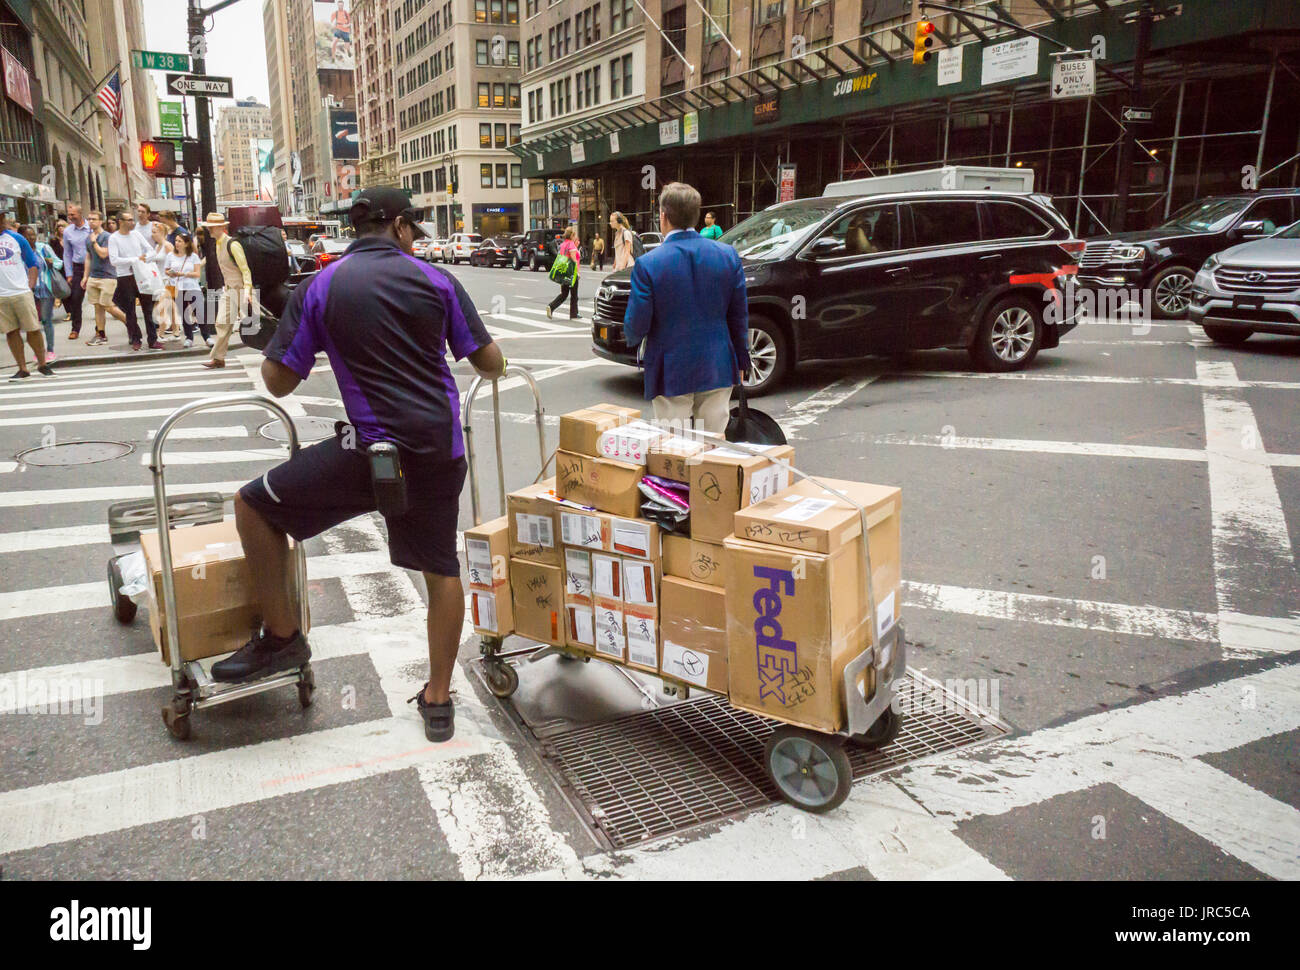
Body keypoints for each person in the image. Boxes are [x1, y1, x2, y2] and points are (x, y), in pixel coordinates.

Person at [221, 187, 505, 745]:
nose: (416, 239)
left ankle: (283, 638)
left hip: (367, 453)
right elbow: (489, 363)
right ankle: (439, 698)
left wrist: (280, 336)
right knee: (441, 566)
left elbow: (278, 382)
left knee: (254, 506)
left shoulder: (320, 286)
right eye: (414, 230)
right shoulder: (438, 281)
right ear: (399, 227)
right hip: (436, 451)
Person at [623, 183, 750, 435]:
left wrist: (632, 338)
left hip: (670, 365)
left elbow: (636, 325)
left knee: (675, 448)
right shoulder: (727, 255)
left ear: (664, 216)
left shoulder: (649, 264)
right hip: (718, 362)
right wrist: (741, 358)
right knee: (714, 445)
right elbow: (738, 315)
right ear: (696, 215)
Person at [1, 212, 52, 379]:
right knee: (11, 331)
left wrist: (30, 286)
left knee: (33, 329)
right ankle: (22, 368)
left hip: (21, 291)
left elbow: (32, 263)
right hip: (2, 295)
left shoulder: (17, 239)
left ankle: (42, 364)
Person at [200, 211, 252, 369]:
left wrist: (248, 291)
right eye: (209, 227)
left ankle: (282, 349)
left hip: (240, 290)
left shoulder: (232, 244)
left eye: (213, 227)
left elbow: (245, 270)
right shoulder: (218, 244)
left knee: (259, 324)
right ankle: (218, 358)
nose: (209, 230)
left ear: (222, 227)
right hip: (229, 290)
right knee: (222, 323)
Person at [108, 209, 162, 351]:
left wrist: (145, 258)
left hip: (142, 274)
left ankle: (153, 339)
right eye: (129, 220)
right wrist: (134, 260)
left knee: (148, 309)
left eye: (133, 220)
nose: (133, 222)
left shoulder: (136, 234)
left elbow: (150, 250)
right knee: (130, 310)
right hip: (125, 277)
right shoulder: (114, 238)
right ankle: (135, 338)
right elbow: (114, 260)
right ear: (120, 222)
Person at [81, 211, 128, 345]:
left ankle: (131, 324)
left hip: (108, 276)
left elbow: (103, 254)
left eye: (94, 219)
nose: (91, 222)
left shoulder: (108, 237)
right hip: (94, 277)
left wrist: (94, 242)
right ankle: (100, 335)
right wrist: (85, 276)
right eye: (89, 219)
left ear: (101, 221)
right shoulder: (88, 238)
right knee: (97, 307)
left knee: (108, 306)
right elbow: (88, 257)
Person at [22, 225, 60, 362]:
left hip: (45, 289)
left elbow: (59, 262)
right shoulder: (19, 251)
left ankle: (50, 350)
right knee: (32, 323)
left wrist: (52, 263)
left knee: (46, 320)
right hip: (27, 291)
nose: (31, 238)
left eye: (33, 235)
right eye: (28, 235)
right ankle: (38, 351)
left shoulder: (43, 248)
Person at [165, 233, 204, 348]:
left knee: (199, 313)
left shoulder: (193, 256)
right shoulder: (170, 256)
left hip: (192, 287)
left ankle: (206, 337)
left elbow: (197, 274)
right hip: (177, 288)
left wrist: (182, 274)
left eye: (180, 241)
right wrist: (170, 273)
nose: (176, 243)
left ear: (187, 243)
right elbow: (166, 270)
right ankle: (188, 337)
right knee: (184, 314)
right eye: (176, 241)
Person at [62, 204, 92, 340]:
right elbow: (67, 254)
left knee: (102, 300)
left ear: (80, 214)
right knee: (75, 299)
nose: (70, 217)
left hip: (94, 267)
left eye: (73, 215)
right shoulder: (68, 232)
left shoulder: (91, 228)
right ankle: (75, 329)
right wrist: (69, 273)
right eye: (69, 215)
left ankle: (100, 330)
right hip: (78, 268)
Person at [150, 221, 182, 340]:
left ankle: (162, 333)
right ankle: (176, 331)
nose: (152, 235)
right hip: (159, 280)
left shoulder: (167, 245)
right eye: (152, 232)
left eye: (155, 232)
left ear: (162, 233)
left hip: (168, 280)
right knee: (172, 306)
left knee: (162, 306)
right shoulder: (156, 246)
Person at [546, 225, 581, 320]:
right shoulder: (571, 245)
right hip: (571, 272)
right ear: (572, 235)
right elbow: (574, 260)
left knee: (564, 293)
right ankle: (573, 314)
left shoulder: (563, 244)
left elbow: (563, 256)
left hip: (563, 271)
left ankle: (551, 306)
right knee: (574, 294)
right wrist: (577, 273)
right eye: (575, 235)